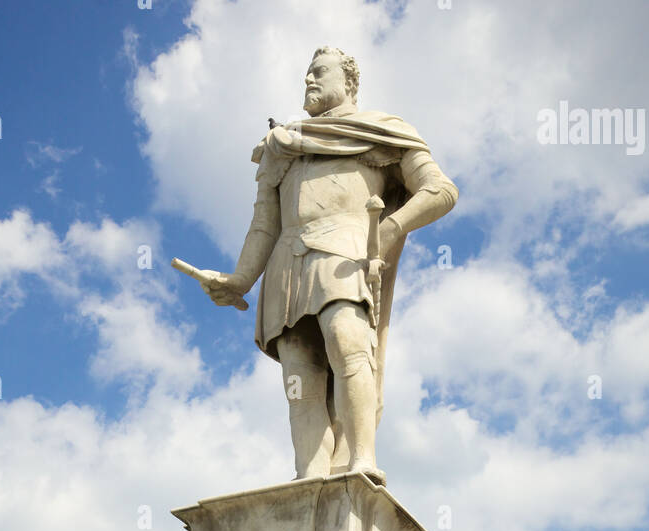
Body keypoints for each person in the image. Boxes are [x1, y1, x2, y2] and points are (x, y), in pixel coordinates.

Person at [187, 46, 459, 478]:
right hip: (286, 265)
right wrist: (239, 280)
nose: (309, 81)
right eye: (306, 75)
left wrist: (387, 231)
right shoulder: (280, 147)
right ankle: (309, 479)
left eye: (319, 72)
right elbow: (264, 225)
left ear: (349, 82)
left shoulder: (382, 131)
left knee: (347, 341)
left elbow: (440, 190)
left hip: (345, 252)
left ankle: (360, 461)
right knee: (301, 375)